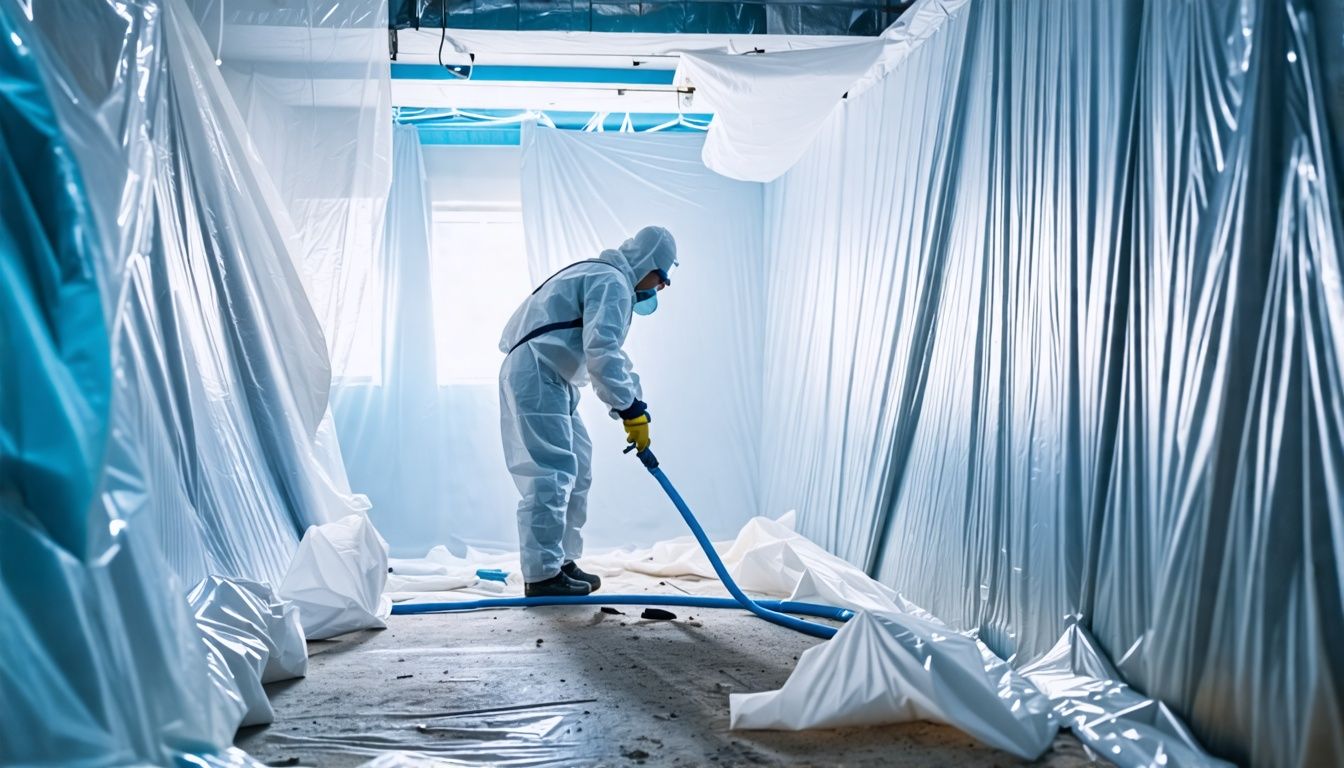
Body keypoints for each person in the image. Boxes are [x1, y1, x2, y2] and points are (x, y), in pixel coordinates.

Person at [498, 226, 678, 597]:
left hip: (553, 375)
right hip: (538, 370)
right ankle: (542, 575)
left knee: (577, 465)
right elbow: (602, 353)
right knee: (551, 471)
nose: (658, 289)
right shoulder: (611, 280)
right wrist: (628, 410)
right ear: (648, 264)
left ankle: (562, 561)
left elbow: (610, 354)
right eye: (661, 278)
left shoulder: (601, 274)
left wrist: (635, 404)